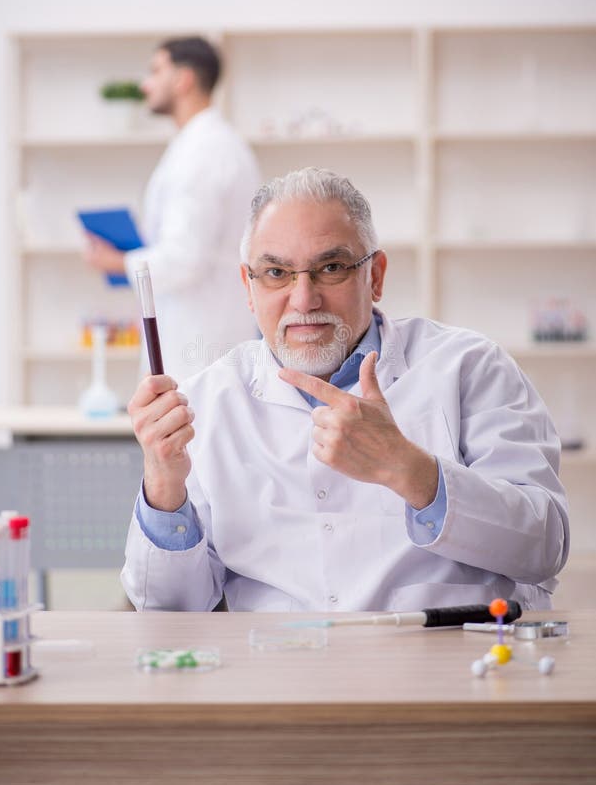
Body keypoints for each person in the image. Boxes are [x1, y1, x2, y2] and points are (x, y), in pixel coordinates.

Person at [121, 167, 569, 613]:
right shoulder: (206, 402)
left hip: (450, 662)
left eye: (330, 268)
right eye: (277, 272)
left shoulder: (469, 368)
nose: (303, 299)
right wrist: (163, 484)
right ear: (249, 287)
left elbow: (544, 546)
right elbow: (167, 610)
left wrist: (409, 470)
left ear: (375, 275)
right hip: (278, 671)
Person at [84, 36, 261, 378]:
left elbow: (184, 259)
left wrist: (117, 262)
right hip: (203, 333)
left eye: (155, 71)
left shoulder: (203, 152)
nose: (145, 84)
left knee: (191, 426)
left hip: (199, 342)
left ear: (183, 80)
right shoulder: (203, 145)